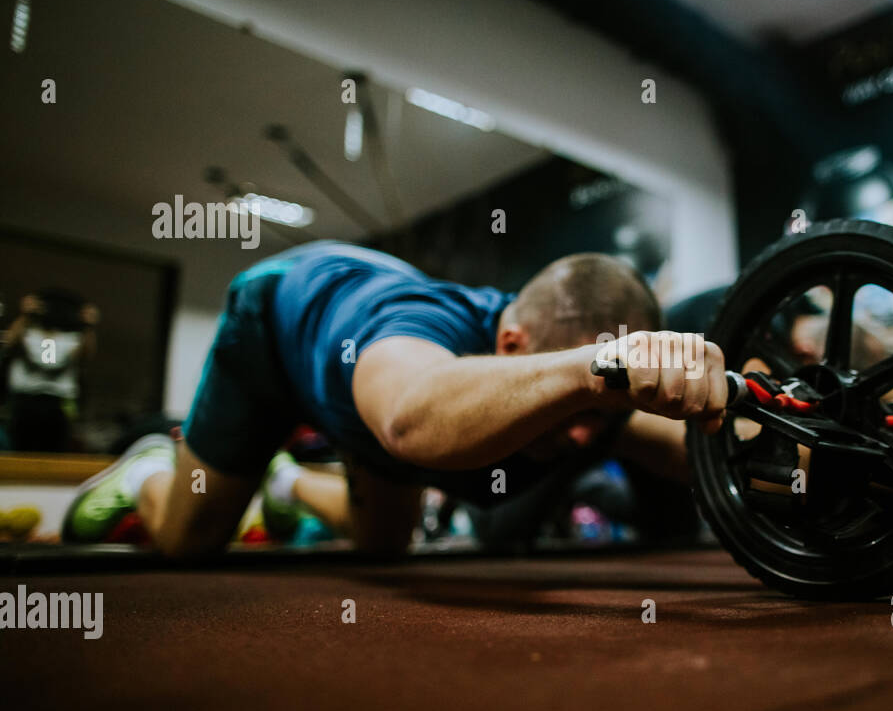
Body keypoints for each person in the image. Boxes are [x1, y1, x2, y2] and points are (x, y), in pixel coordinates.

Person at [61, 242, 727, 557]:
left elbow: (695, 455)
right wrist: (596, 372)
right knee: (187, 544)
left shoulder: (589, 407)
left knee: (384, 548)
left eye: (602, 418)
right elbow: (410, 420)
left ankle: (288, 483)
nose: (588, 438)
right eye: (583, 407)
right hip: (276, 331)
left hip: (358, 402)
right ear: (514, 343)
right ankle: (151, 471)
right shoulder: (420, 326)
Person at [1, 291, 99, 452]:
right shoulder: (28, 333)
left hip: (57, 404)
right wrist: (25, 314)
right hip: (25, 402)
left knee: (54, 452)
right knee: (20, 451)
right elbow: (9, 342)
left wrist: (88, 324)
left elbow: (88, 354)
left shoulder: (72, 338)